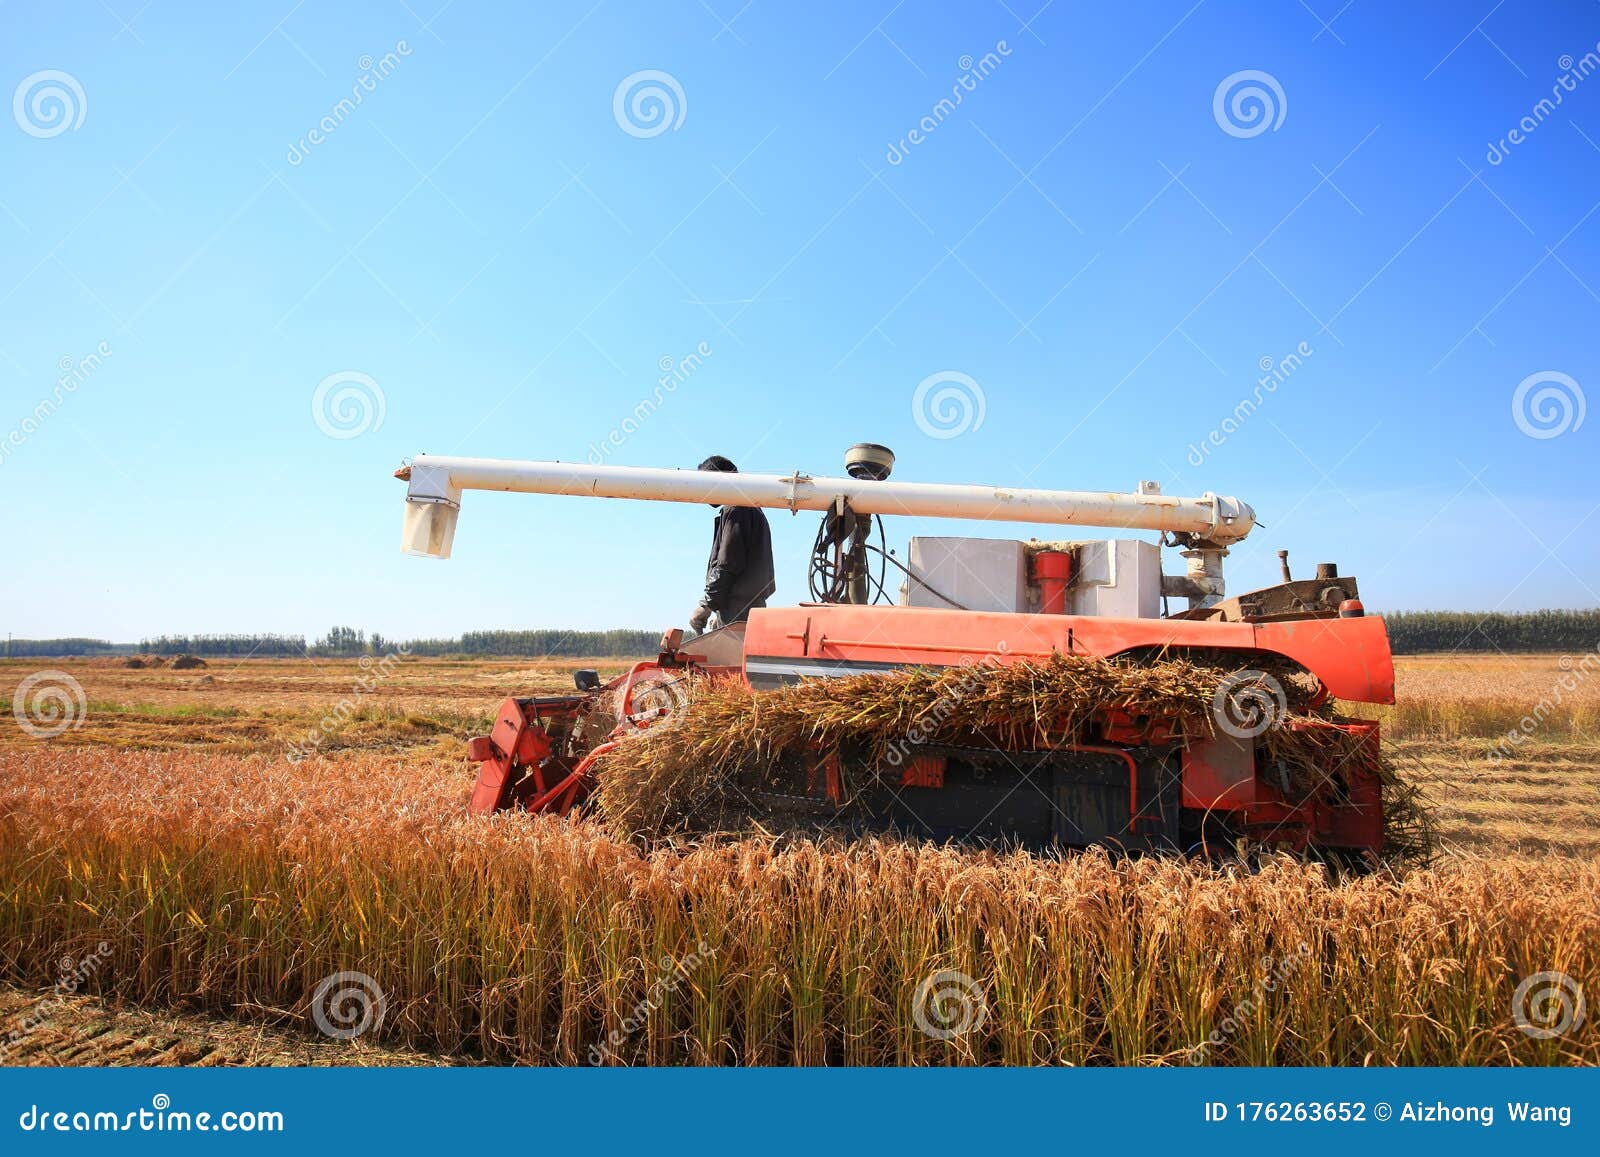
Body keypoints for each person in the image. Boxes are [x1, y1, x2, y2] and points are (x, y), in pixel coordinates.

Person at [688, 455, 775, 632]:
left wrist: (706, 606)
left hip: (738, 608)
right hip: (746, 607)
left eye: (704, 484)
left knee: (731, 658)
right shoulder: (751, 508)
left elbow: (728, 564)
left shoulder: (736, 508)